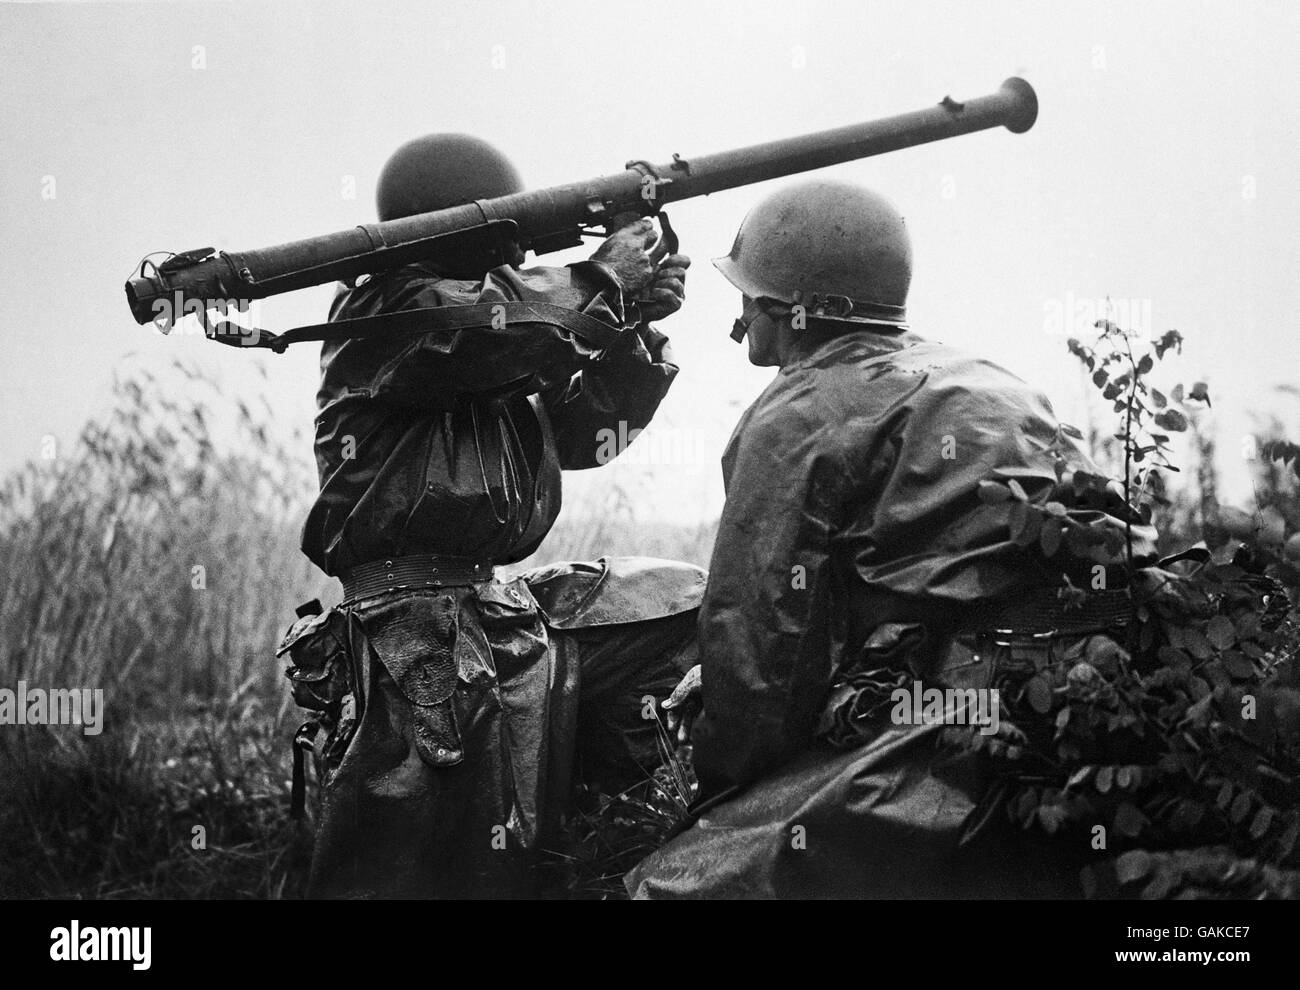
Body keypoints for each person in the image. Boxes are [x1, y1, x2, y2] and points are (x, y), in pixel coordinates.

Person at [631, 178, 1158, 898]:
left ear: (793, 309)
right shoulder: (989, 377)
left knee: (670, 886)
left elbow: (761, 662)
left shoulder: (797, 414)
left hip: (955, 738)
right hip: (1101, 700)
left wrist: (716, 800)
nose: (742, 309)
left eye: (751, 292)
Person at [282, 133, 703, 899]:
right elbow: (480, 336)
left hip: (489, 606)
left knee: (681, 608)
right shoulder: (385, 306)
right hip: (415, 627)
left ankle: (598, 831)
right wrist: (601, 278)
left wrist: (629, 323)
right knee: (424, 877)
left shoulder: (507, 321)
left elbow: (585, 436)